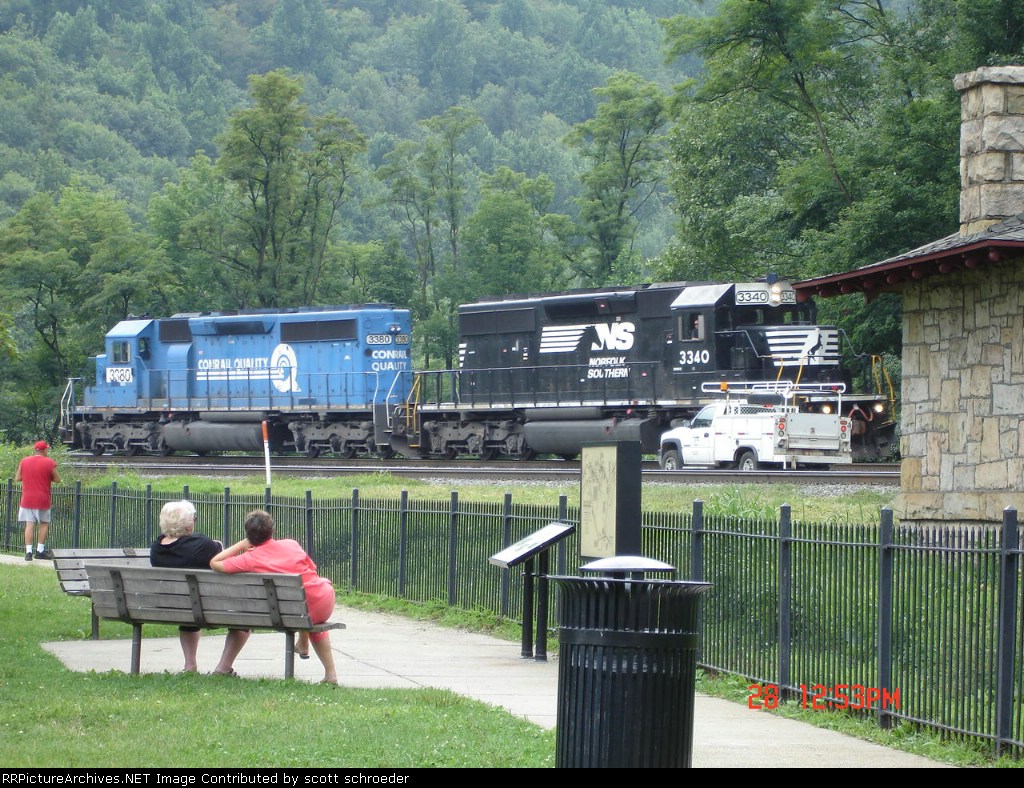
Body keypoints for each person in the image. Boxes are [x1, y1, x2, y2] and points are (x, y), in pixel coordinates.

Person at [210, 510, 338, 684]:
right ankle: (330, 673)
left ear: (248, 535)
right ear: (272, 530)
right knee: (309, 598)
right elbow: (311, 570)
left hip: (290, 610)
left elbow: (214, 563)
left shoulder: (250, 558)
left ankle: (303, 644)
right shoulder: (291, 544)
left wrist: (241, 545)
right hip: (322, 603)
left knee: (301, 605)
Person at [150, 500, 251, 674]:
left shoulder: (156, 548)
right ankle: (223, 667)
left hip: (173, 605)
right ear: (188, 524)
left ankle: (190, 665)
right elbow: (221, 556)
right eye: (194, 518)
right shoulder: (202, 545)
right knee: (244, 617)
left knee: (190, 613)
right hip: (209, 606)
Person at [16, 440, 61, 561]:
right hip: (42, 498)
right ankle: (40, 551)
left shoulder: (24, 461)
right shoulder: (50, 463)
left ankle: (28, 552)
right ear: (45, 450)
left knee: (29, 524)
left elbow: (17, 478)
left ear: (35, 450)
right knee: (44, 523)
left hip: (27, 498)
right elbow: (57, 479)